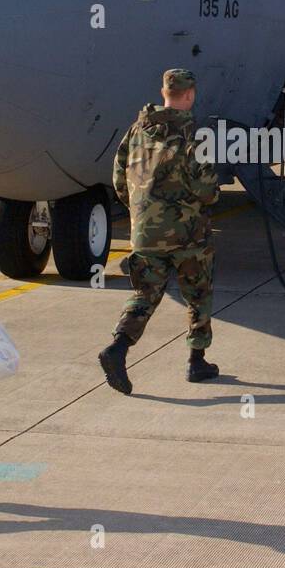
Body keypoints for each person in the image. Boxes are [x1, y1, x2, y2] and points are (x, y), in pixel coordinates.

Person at [98, 68, 221, 394]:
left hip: (146, 232)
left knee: (145, 294)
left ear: (163, 92)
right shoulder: (193, 134)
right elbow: (207, 188)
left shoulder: (138, 129)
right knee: (198, 294)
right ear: (190, 95)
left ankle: (118, 347)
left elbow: (118, 176)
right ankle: (196, 361)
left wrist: (140, 213)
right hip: (187, 234)